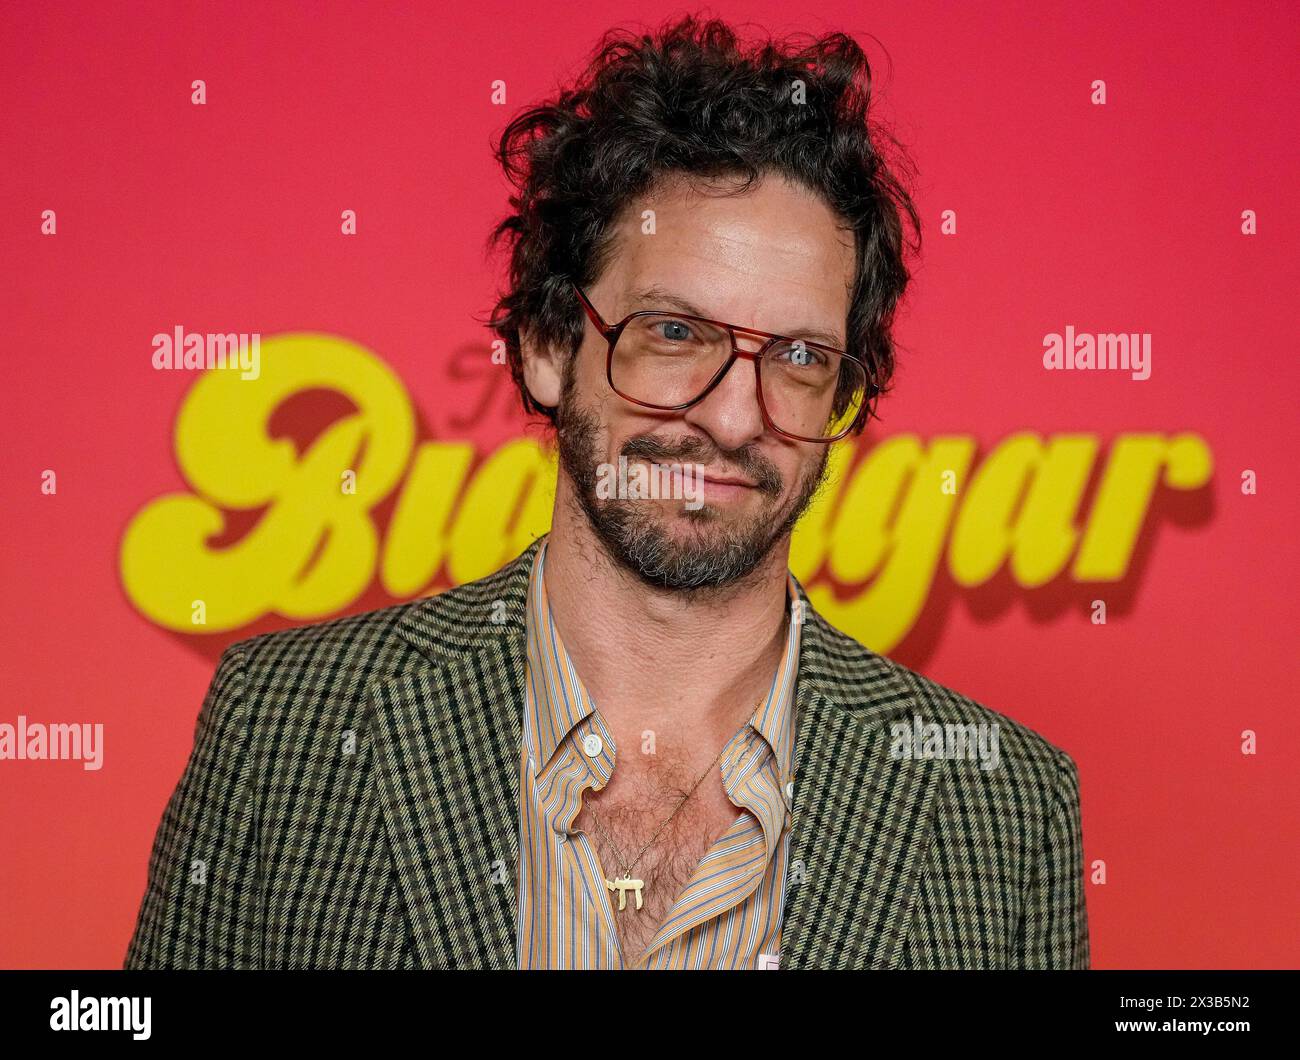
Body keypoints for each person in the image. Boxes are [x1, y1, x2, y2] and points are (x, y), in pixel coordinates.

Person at [125, 14, 1088, 970]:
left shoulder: (1006, 803)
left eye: (797, 356)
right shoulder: (283, 728)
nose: (734, 418)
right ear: (549, 345)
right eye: (674, 333)